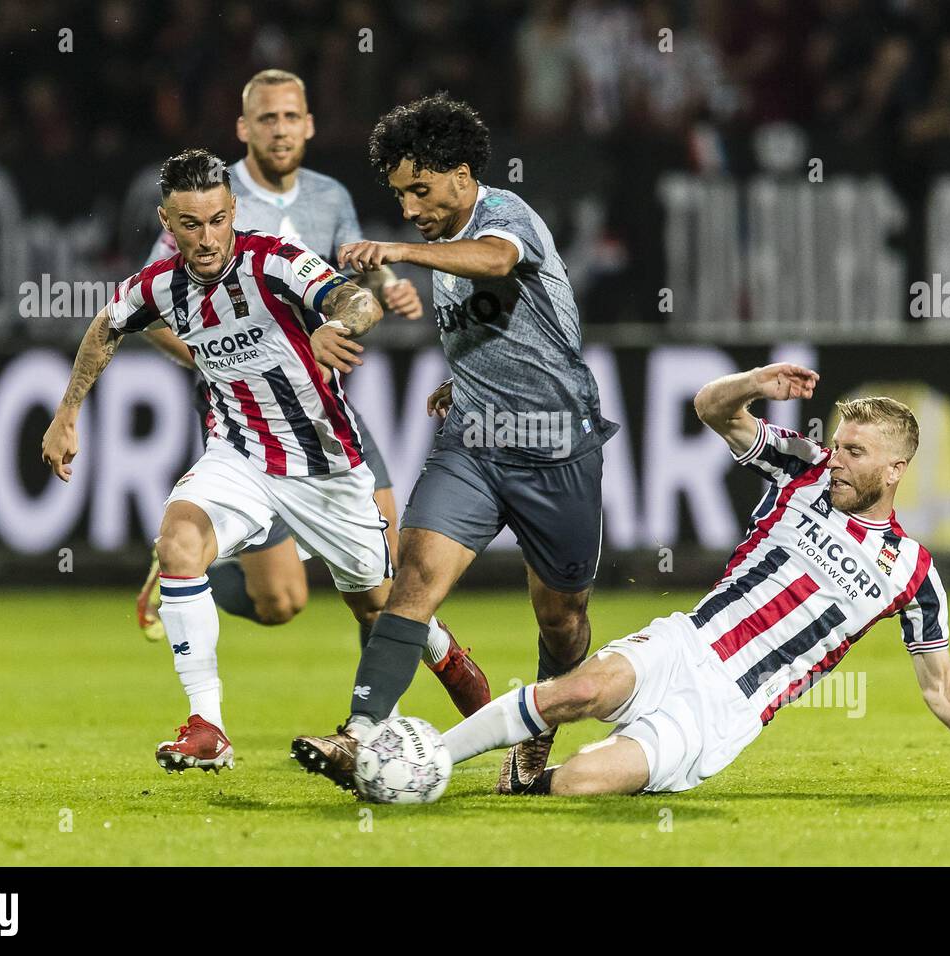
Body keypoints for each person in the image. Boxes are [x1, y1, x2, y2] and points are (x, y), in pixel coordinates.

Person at [440, 364, 950, 795]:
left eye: (856, 453)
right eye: (840, 444)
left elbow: (940, 686)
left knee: (584, 782)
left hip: (727, 709)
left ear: (895, 469)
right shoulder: (802, 468)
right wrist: (755, 383)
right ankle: (430, 760)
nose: (839, 461)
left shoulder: (912, 572)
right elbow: (710, 408)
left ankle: (528, 780)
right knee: (576, 692)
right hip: (685, 644)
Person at [133, 70, 490, 718]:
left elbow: (353, 277)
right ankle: (190, 569)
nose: (280, 129)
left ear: (310, 124)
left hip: (328, 413)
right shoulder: (210, 200)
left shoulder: (329, 197)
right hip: (249, 423)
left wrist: (387, 290)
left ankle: (372, 722)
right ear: (243, 129)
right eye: (266, 118)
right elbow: (153, 306)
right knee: (282, 603)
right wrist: (218, 360)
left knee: (381, 579)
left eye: (291, 117)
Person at [291, 93, 619, 793]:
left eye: (421, 188)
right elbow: (493, 323)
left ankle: (536, 741)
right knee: (413, 580)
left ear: (463, 176)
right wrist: (457, 379)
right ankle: (360, 733)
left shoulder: (503, 219)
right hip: (472, 441)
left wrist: (403, 252)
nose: (411, 207)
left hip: (555, 445)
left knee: (562, 619)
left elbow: (498, 263)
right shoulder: (447, 241)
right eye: (401, 195)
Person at [42, 148, 391, 772]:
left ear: (233, 212)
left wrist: (332, 323)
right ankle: (209, 725)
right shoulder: (159, 283)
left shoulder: (274, 258)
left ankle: (427, 693)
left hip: (325, 454)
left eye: (216, 221)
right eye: (188, 224)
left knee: (361, 606)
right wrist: (68, 412)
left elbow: (358, 301)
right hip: (242, 452)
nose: (205, 239)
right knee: (179, 538)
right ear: (166, 222)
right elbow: (106, 326)